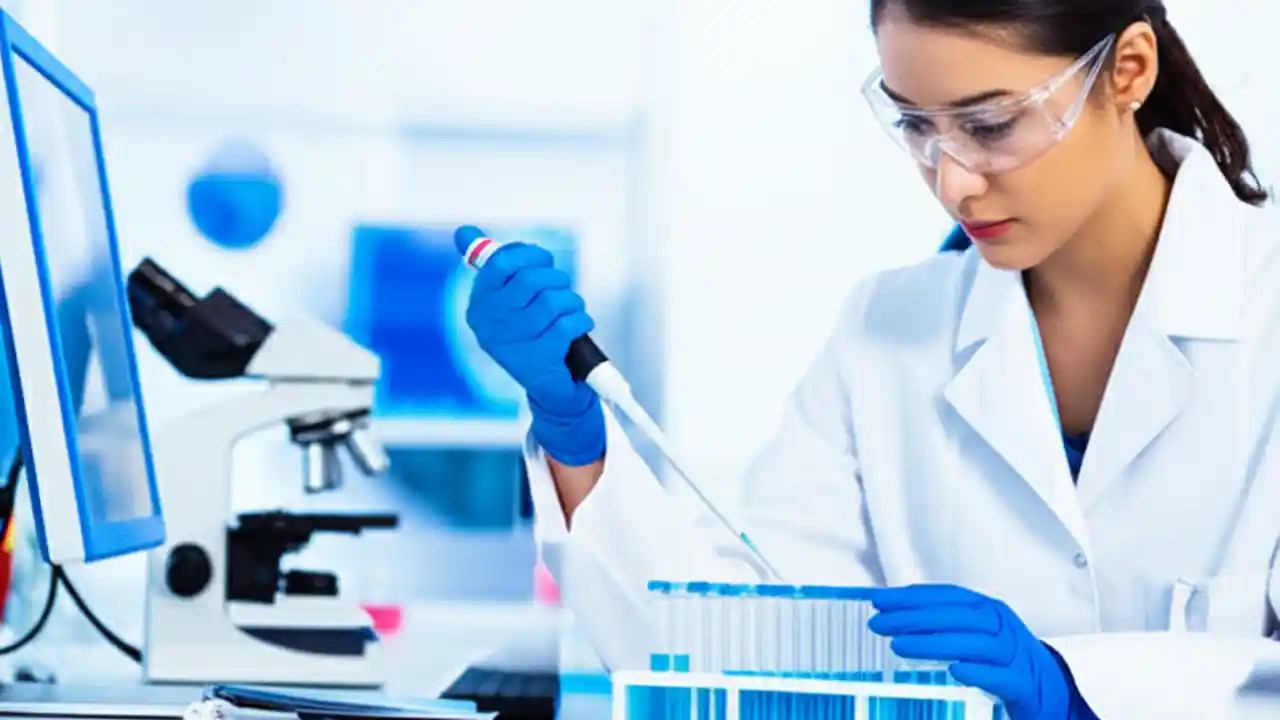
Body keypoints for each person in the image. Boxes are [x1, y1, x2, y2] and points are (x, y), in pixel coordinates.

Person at [463, 1, 1280, 717]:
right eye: (917, 126)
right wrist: (576, 432)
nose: (952, 181)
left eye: (992, 125)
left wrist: (1079, 688)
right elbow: (741, 639)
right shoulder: (886, 331)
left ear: (1128, 70)